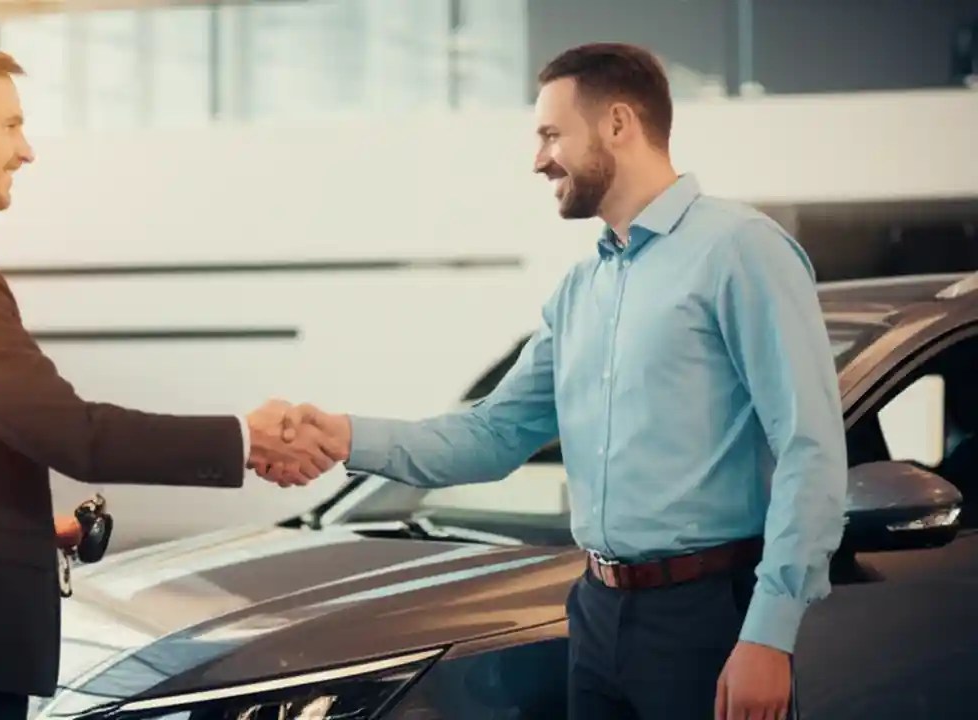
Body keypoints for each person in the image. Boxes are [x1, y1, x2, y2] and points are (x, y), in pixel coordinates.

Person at [270, 43, 847, 720]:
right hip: (597, 612)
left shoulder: (741, 248)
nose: (538, 159)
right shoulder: (580, 290)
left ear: (618, 124)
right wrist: (339, 435)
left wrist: (769, 634)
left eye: (551, 134)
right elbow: (491, 435)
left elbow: (810, 447)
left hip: (708, 619)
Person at [0, 39, 338, 720]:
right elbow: (76, 435)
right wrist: (244, 438)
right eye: (10, 125)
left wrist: (12, 529)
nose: (26, 151)